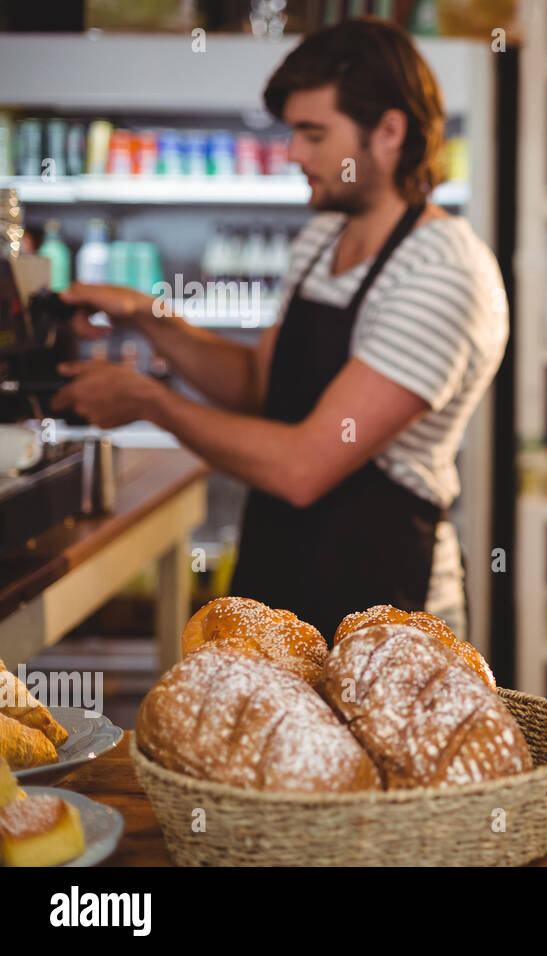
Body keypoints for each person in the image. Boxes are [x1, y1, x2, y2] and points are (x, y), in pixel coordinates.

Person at [52, 19, 506, 642]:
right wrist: (146, 317)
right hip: (283, 576)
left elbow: (303, 468)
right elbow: (256, 386)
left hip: (389, 618)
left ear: (389, 132)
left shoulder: (442, 272)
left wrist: (148, 401)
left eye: (313, 134)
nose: (293, 153)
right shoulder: (324, 240)